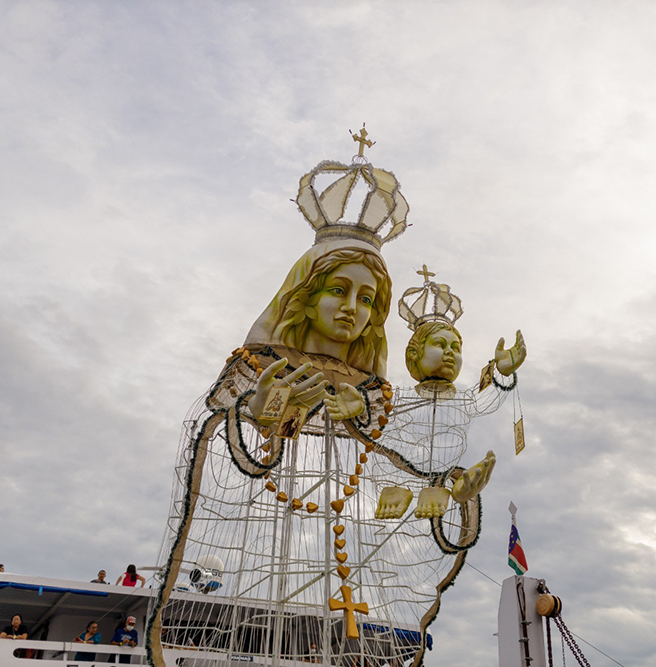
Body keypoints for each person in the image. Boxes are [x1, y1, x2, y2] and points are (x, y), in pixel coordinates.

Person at [147, 157, 511, 667]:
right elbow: (212, 434)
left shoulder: (375, 394)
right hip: (263, 542)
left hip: (342, 556)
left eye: (367, 299)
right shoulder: (259, 363)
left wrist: (452, 497)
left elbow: (402, 467)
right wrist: (256, 414)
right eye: (338, 290)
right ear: (305, 292)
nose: (352, 309)